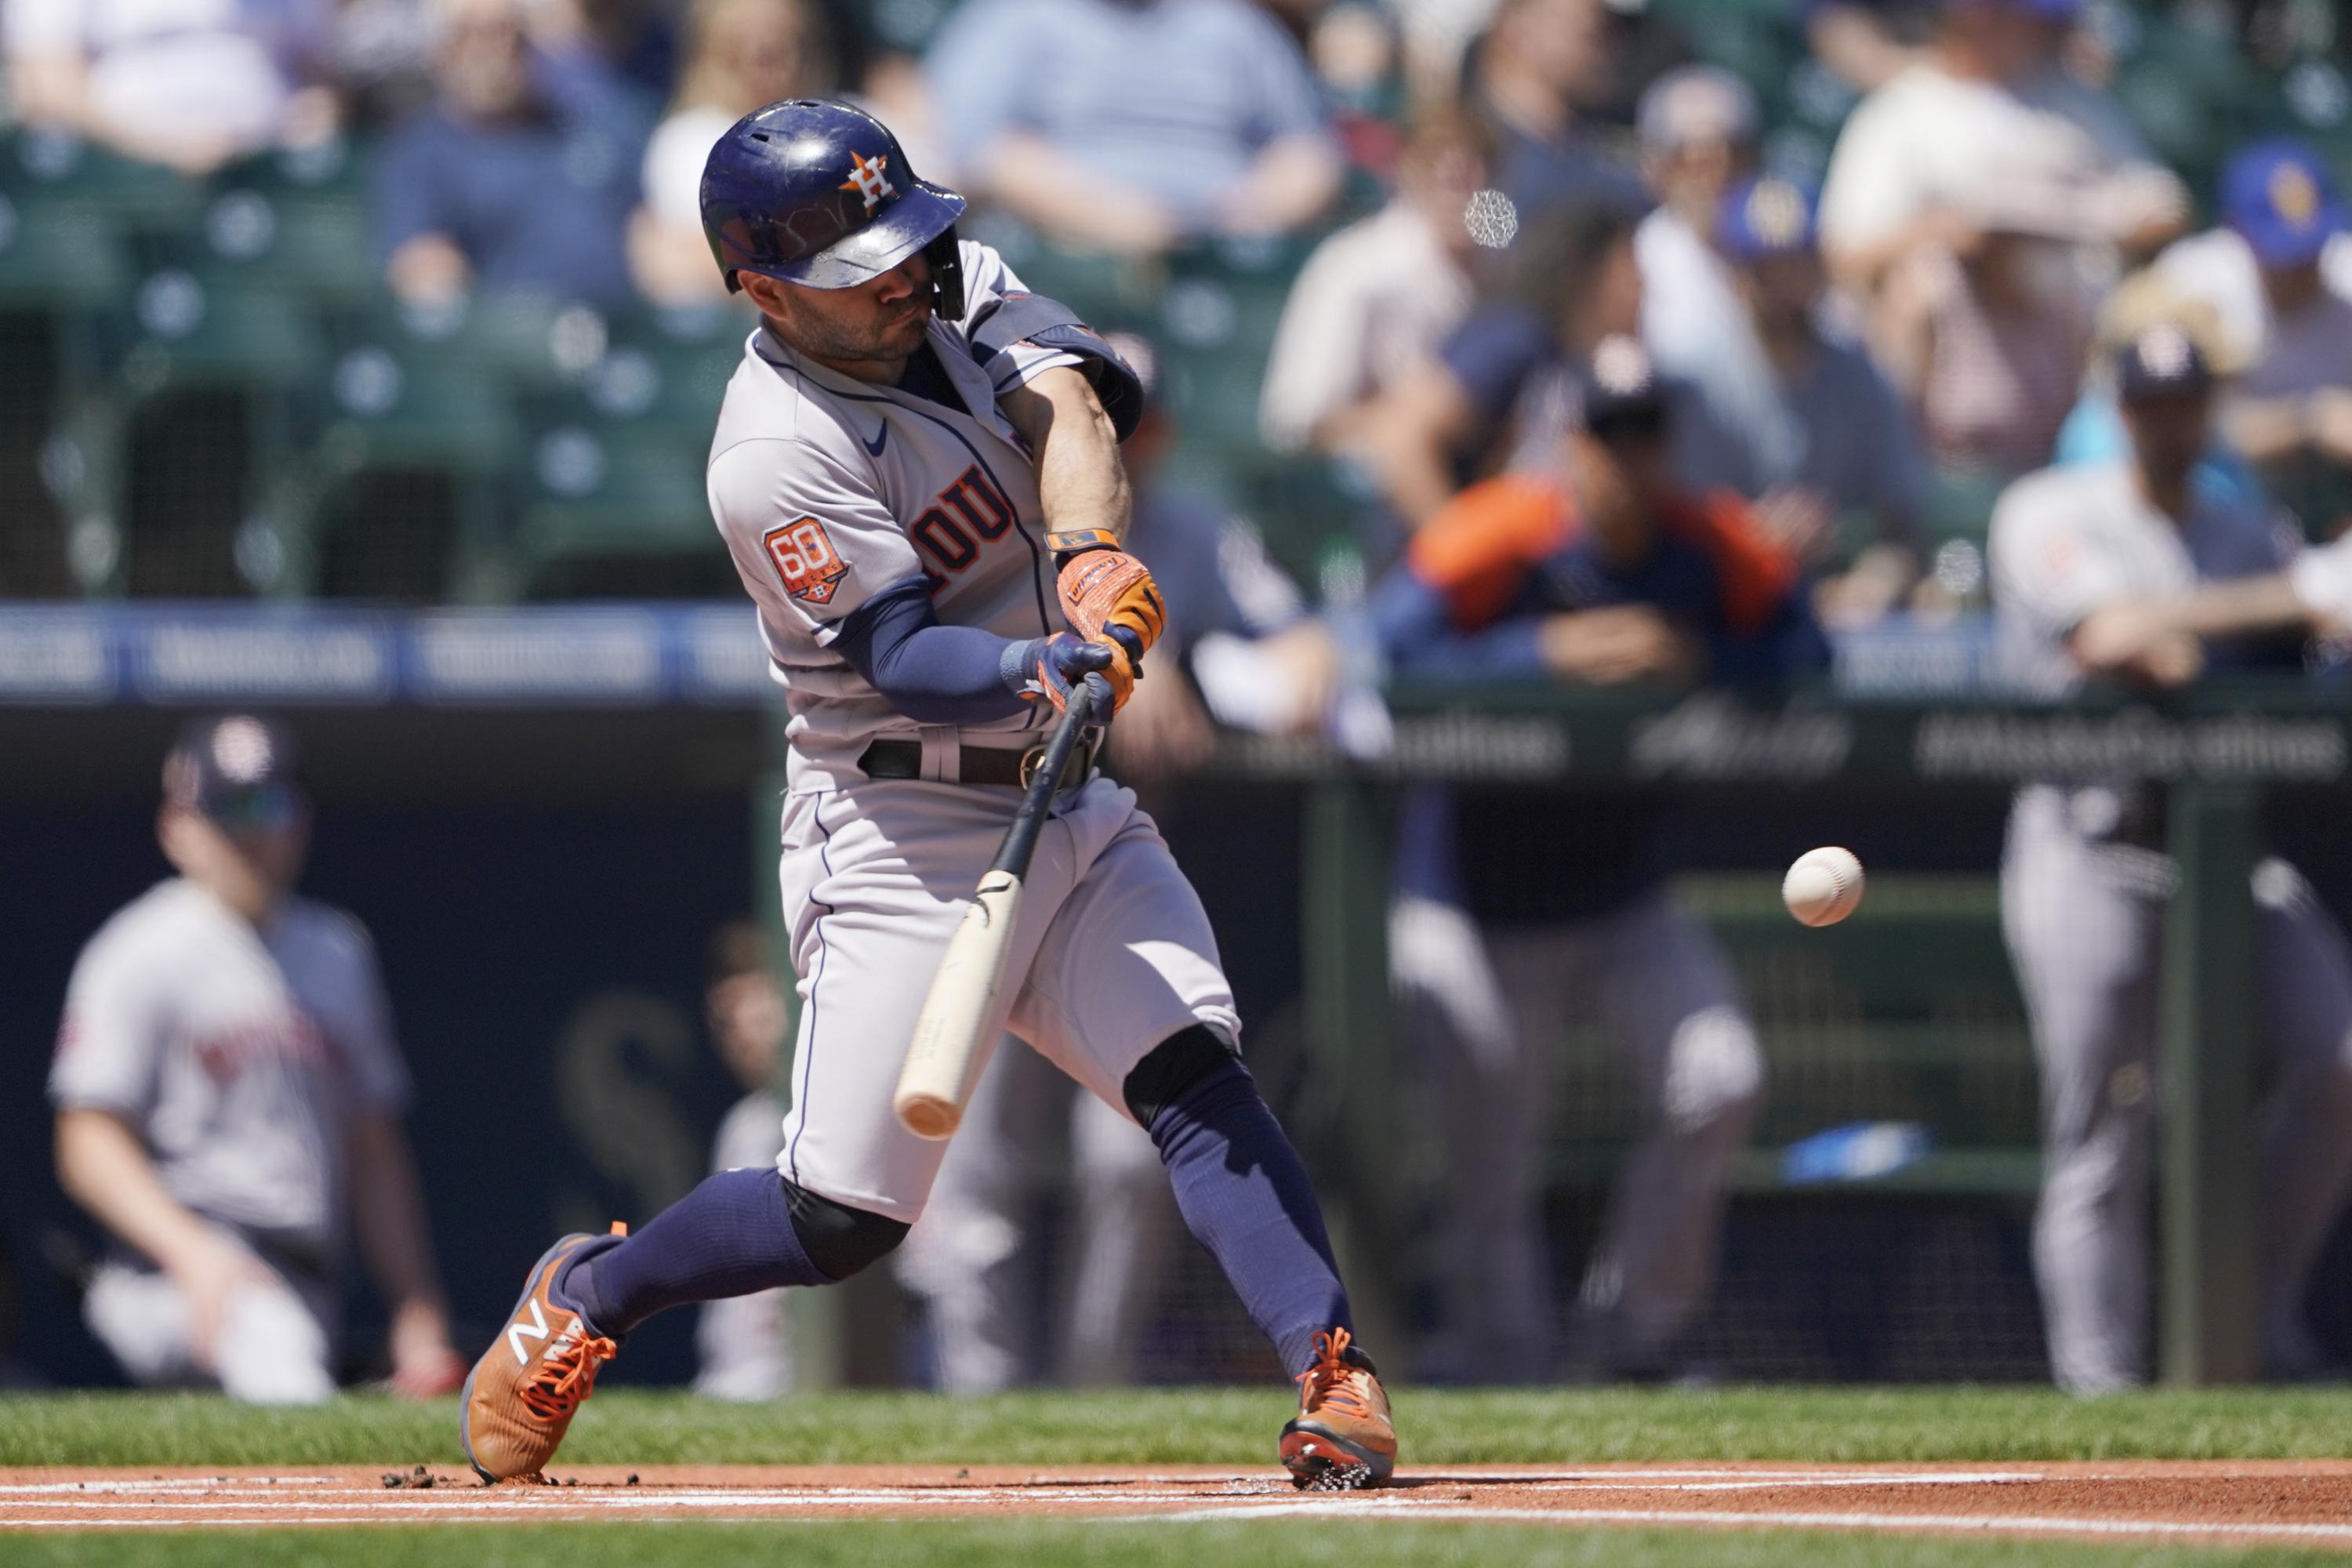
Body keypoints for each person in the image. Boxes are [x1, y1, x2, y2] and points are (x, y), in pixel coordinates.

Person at [458, 100, 1396, 1489]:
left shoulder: (952, 279)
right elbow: (898, 657)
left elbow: (1073, 405)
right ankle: (591, 1296)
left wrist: (1086, 566)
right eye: (855, 267)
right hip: (896, 823)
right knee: (844, 1220)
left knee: (1196, 1079)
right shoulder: (769, 450)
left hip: (1062, 794)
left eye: (901, 244)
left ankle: (1335, 1374)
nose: (899, 277)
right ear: (765, 289)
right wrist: (1041, 657)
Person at [1370, 337, 1822, 1381]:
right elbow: (1388, 650)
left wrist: (1697, 654)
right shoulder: (1507, 529)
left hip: (1625, 891)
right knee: (1491, 1165)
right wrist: (1549, 654)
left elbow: (1809, 655)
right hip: (1476, 894)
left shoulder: (1709, 542)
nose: (1629, 455)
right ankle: (1514, 1366)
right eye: (1609, 433)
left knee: (1719, 1082)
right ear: (1571, 442)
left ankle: (1632, 1342)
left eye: (1646, 432)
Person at [898, 332, 1334, 1392]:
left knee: (1131, 1160)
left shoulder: (1190, 528)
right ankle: (980, 1412)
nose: (1103, 442)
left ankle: (1087, 1397)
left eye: (1128, 423)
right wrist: (1104, 674)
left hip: (1101, 868)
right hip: (971, 860)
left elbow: (1314, 662)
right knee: (969, 1164)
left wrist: (1176, 660)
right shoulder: (988, 511)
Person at [1989, 325, 2352, 1391]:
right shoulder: (2047, 509)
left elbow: (2315, 643)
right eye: (2150, 401)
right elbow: (2118, 642)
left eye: (2186, 399)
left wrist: (2303, 601)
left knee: (2342, 1070)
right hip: (2085, 846)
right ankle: (2098, 1391)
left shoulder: (2245, 526)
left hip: (2224, 859)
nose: (2169, 420)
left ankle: (2258, 1321)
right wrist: (2293, 594)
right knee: (2103, 1120)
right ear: (2119, 408)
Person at [49, 717, 461, 1405]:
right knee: (278, 1364)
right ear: (177, 827)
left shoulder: (338, 952)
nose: (252, 833)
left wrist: (417, 1308)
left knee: (300, 1355)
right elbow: (86, 1142)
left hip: (305, 1281)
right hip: (172, 1270)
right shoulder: (139, 949)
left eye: (268, 806)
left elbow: (373, 1147)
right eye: (226, 809)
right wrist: (192, 1254)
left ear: (299, 820)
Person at [1818, 0, 2186, 308]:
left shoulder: (2073, 99)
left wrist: (2090, 226)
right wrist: (1952, 233)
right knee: (1924, 287)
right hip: (1966, 344)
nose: (2054, 30)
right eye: (2030, 16)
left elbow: (2166, 205)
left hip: (2080, 325)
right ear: (1978, 14)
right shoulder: (1903, 112)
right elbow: (1845, 259)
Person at [1686, 176, 1928, 626]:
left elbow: (1902, 527)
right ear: (1736, 275)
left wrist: (1874, 583)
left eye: (1798, 263)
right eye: (1768, 268)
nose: (1786, 285)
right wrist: (1749, 539)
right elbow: (1670, 536)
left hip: (1841, 604)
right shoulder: (1695, 379)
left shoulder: (1861, 376)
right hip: (1725, 610)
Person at [922, 0, 1341, 259]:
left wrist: (1255, 208)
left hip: (1228, 247)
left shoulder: (1233, 23)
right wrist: (1102, 212)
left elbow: (1308, 152)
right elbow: (974, 150)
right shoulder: (1014, 17)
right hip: (1068, 252)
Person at [372, 0, 652, 309]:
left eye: (510, 32)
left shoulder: (587, 126)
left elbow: (648, 231)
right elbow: (422, 267)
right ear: (440, 51)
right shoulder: (422, 151)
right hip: (510, 343)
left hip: (619, 332)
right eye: (473, 34)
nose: (497, 49)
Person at [1258, 112, 1487, 463]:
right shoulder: (1358, 267)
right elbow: (1297, 420)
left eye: (1472, 172)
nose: (1458, 186)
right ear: (1406, 171)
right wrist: (1411, 416)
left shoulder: (1501, 271)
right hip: (1366, 481)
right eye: (1439, 166)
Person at [630, 0, 838, 307]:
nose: (778, 61)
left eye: (790, 42)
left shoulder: (841, 121)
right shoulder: (692, 140)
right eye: (750, 45)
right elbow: (722, 268)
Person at [2202, 143, 2352, 540]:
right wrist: (2310, 421)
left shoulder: (2345, 275)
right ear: (2240, 238)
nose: (2303, 265)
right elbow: (2198, 431)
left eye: (2312, 246)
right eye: (2286, 255)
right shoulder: (2199, 290)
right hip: (2232, 502)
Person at [5, 0, 339, 176]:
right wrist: (159, 147)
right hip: (121, 161)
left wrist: (317, 112)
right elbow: (46, 80)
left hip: (266, 154)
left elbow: (316, 67)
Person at [691, 923, 798, 1401]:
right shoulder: (745, 1122)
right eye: (723, 1018)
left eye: (754, 1011)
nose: (739, 1035)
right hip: (736, 1377)